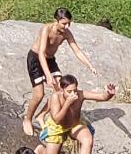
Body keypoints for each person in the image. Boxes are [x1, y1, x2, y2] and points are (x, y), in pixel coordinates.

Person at [22, 7, 96, 136]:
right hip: (35, 58)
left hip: (50, 60)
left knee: (61, 91)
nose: (67, 26)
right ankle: (27, 119)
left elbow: (77, 50)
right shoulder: (47, 29)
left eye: (69, 23)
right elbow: (41, 53)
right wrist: (47, 75)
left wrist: (89, 64)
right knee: (39, 94)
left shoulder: (66, 33)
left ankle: (42, 114)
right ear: (55, 21)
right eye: (64, 23)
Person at [36, 75, 116, 154]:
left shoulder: (80, 94)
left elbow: (102, 97)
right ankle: (40, 150)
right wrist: (67, 103)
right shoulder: (56, 97)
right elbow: (57, 119)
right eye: (69, 91)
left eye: (74, 90)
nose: (73, 94)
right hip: (58, 127)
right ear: (62, 88)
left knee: (87, 139)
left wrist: (109, 93)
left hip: (73, 125)